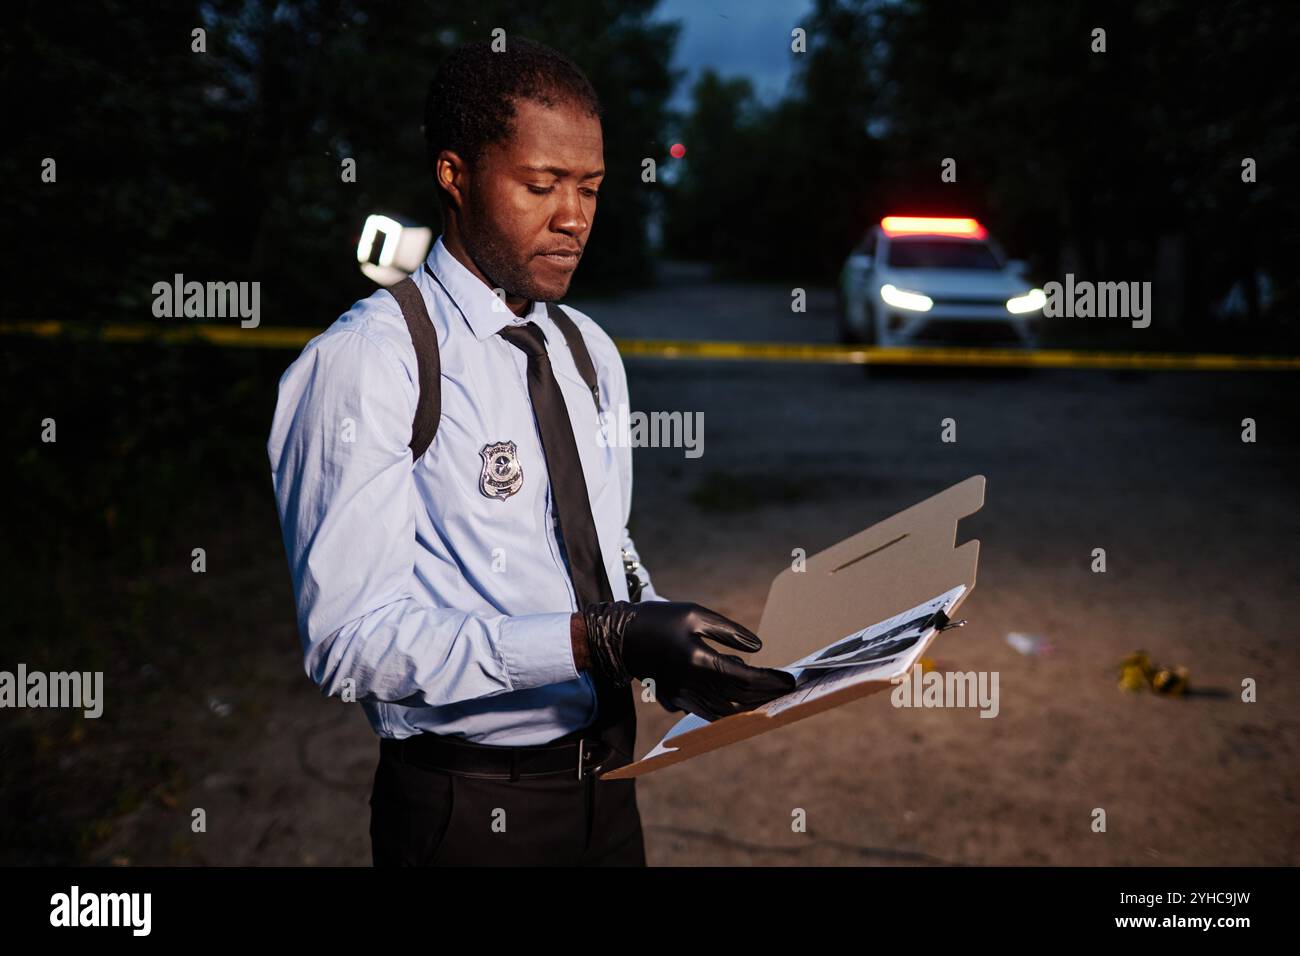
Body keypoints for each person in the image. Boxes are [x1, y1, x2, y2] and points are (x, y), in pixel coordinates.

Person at [267, 37, 794, 867]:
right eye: (541, 186)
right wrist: (595, 640)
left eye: (591, 188)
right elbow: (350, 644)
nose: (574, 217)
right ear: (455, 174)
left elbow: (604, 543)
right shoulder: (371, 362)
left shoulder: (587, 349)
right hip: (466, 808)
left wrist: (661, 643)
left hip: (609, 789)